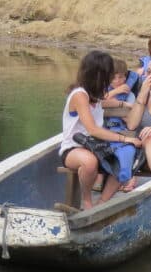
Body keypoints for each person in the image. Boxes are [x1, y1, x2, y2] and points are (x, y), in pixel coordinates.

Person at [59, 51, 142, 209]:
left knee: (125, 160)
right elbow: (93, 129)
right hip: (74, 148)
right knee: (90, 162)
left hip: (97, 146)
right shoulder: (80, 95)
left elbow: (102, 103)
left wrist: (123, 104)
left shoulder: (93, 95)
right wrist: (124, 139)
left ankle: (102, 203)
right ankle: (87, 200)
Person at [103, 59, 139, 192]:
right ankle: (103, 177)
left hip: (123, 132)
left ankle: (127, 176)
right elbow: (99, 102)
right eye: (114, 78)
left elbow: (131, 120)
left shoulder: (129, 96)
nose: (118, 81)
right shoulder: (103, 93)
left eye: (121, 77)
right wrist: (114, 93)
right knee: (104, 150)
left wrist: (122, 110)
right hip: (104, 132)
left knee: (128, 150)